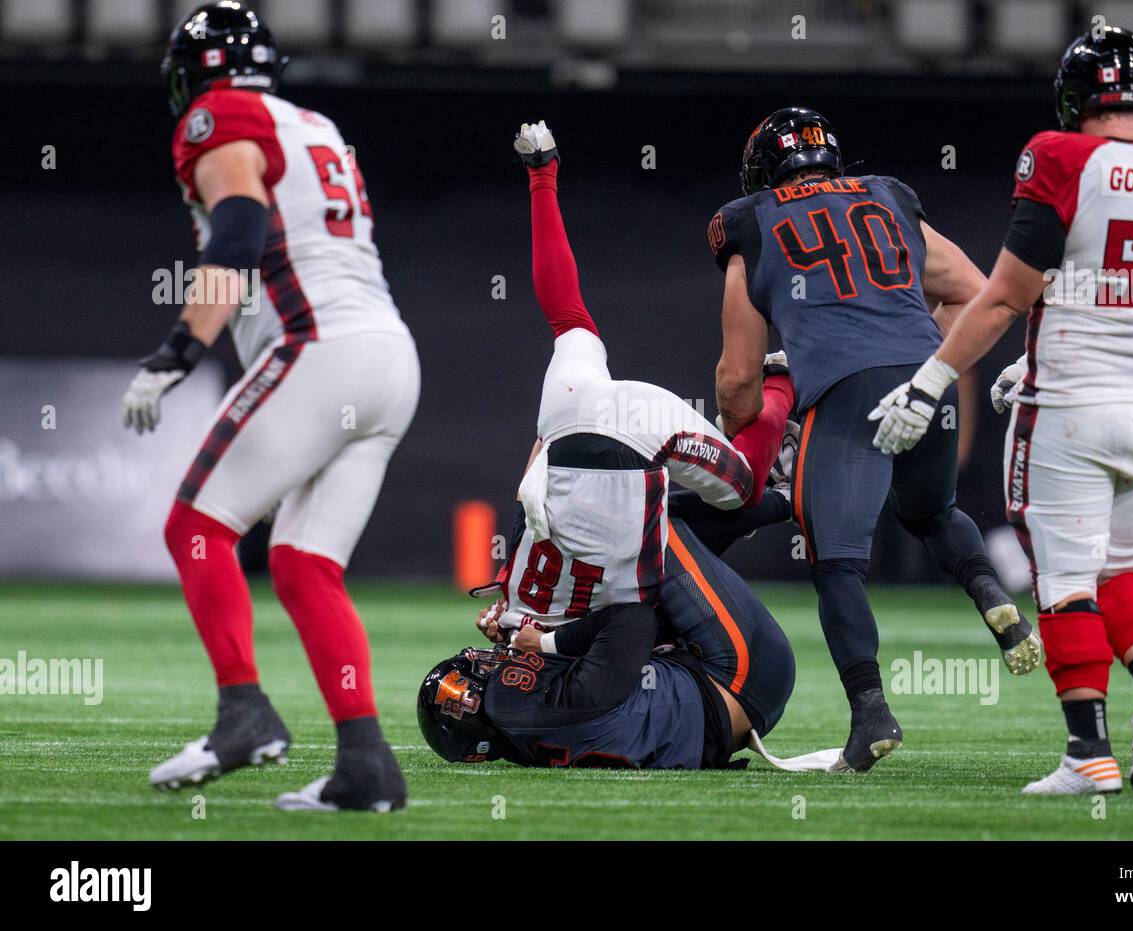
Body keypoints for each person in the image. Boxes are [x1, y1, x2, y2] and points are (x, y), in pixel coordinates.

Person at [872, 27, 1133, 794]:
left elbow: (1009, 297)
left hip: (1073, 403)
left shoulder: (1060, 157)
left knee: (1067, 579)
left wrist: (928, 382)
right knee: (1126, 569)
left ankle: (1089, 751)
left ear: (1077, 96)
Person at [124, 2, 418, 812]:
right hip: (390, 356)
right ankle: (366, 765)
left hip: (321, 346)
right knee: (303, 564)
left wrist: (179, 350)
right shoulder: (314, 124)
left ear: (195, 77)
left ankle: (243, 712)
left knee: (195, 526)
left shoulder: (221, 118)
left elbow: (241, 228)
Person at [707, 106, 1040, 775]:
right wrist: (917, 360)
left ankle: (871, 713)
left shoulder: (748, 221)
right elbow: (975, 293)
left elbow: (739, 377)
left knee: (836, 559)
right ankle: (994, 598)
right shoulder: (885, 194)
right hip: (929, 381)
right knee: (931, 512)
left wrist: (754, 411)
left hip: (850, 393)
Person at [491, 120, 793, 640]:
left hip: (627, 430)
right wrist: (541, 179)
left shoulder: (545, 618)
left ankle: (783, 400)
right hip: (581, 418)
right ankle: (544, 169)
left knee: (740, 492)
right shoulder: (518, 602)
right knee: (569, 319)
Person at [418, 488, 799, 770]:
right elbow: (633, 621)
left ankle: (763, 503)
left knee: (647, 549)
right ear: (473, 702)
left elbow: (599, 657)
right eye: (483, 670)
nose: (495, 662)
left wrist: (528, 632)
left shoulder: (527, 730)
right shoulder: (524, 704)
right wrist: (543, 639)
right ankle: (789, 498)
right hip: (741, 674)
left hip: (725, 705)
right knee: (647, 528)